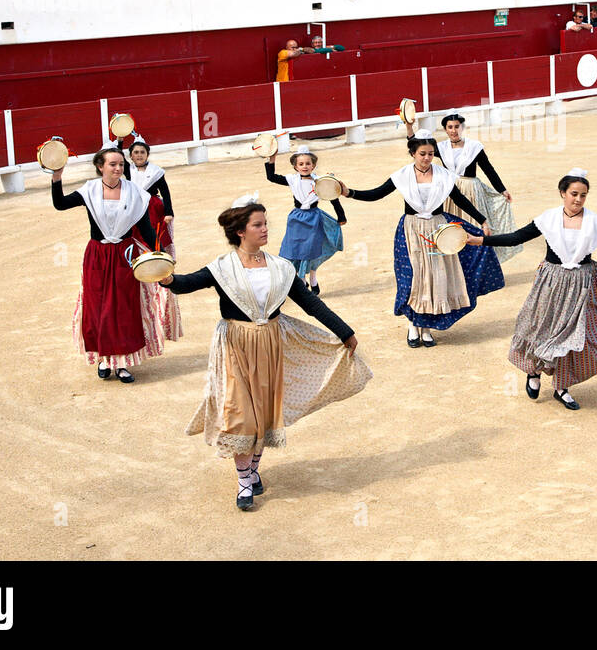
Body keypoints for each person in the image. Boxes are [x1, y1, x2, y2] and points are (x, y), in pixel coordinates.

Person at [161, 198, 370, 511]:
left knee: (264, 416)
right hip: (235, 346)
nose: (265, 229)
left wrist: (345, 331)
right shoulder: (222, 268)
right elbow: (185, 284)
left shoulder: (281, 267)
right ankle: (245, 482)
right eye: (257, 225)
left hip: (271, 343)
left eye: (265, 223)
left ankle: (252, 470)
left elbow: (310, 304)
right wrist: (165, 278)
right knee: (240, 414)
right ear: (240, 232)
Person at [467, 169, 597, 411]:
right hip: (550, 283)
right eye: (574, 194)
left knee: (572, 338)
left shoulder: (595, 223)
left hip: (581, 286)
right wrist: (480, 240)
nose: (578, 199)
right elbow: (515, 238)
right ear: (562, 193)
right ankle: (533, 372)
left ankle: (562, 387)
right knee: (538, 328)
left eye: (583, 195)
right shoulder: (548, 219)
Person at [338, 130, 504, 347]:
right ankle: (412, 326)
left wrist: (482, 220)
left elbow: (460, 200)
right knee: (415, 278)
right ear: (412, 154)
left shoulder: (443, 175)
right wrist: (349, 192)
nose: (427, 158)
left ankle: (425, 329)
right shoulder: (402, 175)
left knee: (436, 277)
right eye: (422, 153)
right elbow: (376, 194)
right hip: (411, 230)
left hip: (438, 230)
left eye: (431, 154)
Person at [50, 147, 159, 382]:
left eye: (121, 164)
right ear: (100, 167)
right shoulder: (89, 190)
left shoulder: (134, 193)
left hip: (126, 253)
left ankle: (122, 363)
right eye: (112, 164)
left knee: (123, 307)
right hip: (97, 255)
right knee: (97, 306)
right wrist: (57, 176)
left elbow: (147, 230)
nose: (118, 168)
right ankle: (102, 358)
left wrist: (159, 254)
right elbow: (60, 204)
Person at [405, 113, 519, 264]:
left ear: (462, 127)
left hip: (471, 191)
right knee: (451, 232)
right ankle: (455, 265)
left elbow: (488, 169)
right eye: (450, 127)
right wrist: (408, 126)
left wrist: (502, 190)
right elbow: (416, 143)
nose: (454, 130)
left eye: (457, 126)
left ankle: (479, 266)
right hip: (450, 193)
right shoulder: (441, 147)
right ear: (445, 130)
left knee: (474, 228)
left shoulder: (475, 147)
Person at [125, 137, 184, 351]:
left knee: (155, 234)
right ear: (130, 156)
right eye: (135, 153)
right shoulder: (126, 172)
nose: (139, 156)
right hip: (134, 205)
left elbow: (165, 191)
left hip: (152, 206)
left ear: (147, 155)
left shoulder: (157, 172)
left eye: (142, 152)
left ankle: (157, 253)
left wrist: (168, 211)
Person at [263, 145, 346, 293]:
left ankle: (312, 278)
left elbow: (333, 196)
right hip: (296, 219)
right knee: (295, 249)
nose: (305, 166)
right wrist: (272, 158)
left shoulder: (320, 181)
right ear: (295, 167)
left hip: (314, 219)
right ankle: (301, 280)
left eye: (308, 163)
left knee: (311, 250)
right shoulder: (292, 180)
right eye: (301, 164)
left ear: (313, 165)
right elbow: (271, 177)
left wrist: (341, 216)